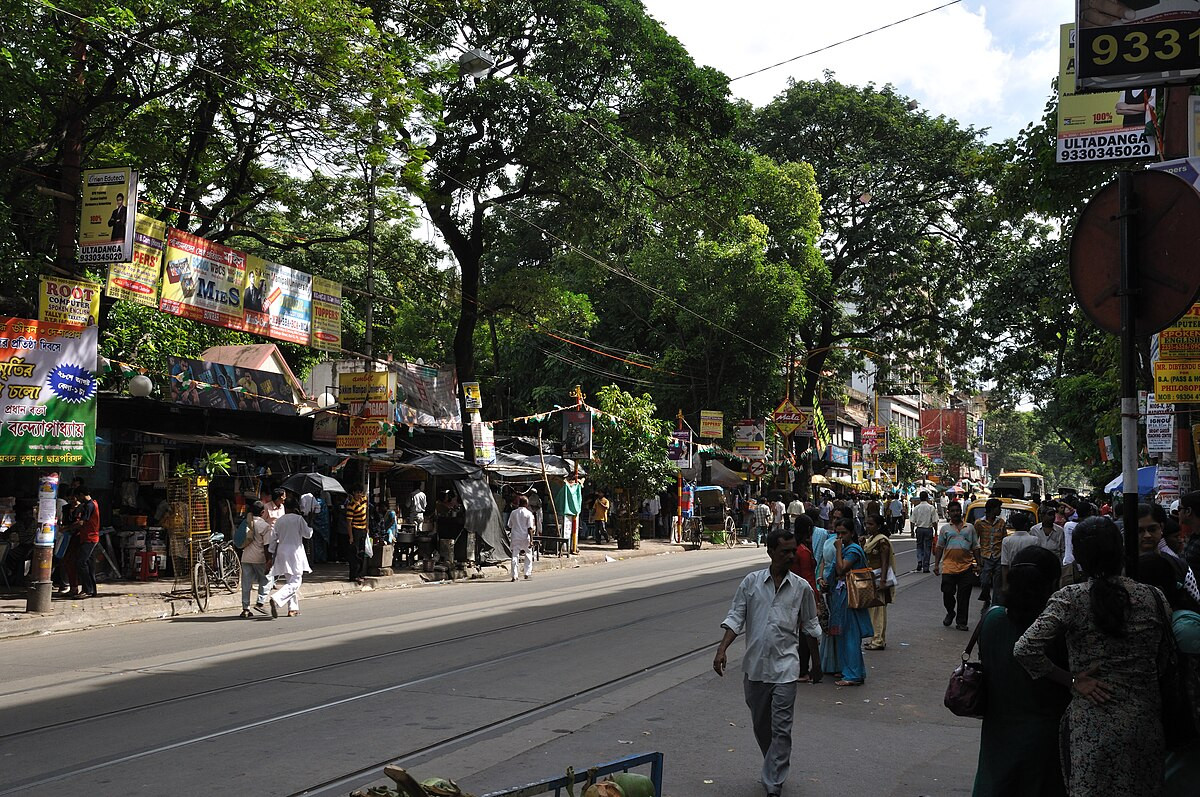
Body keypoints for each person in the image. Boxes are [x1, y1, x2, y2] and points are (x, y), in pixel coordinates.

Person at [1013, 517, 1172, 797]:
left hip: (1091, 727)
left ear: (1081, 558)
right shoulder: (1154, 598)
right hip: (1145, 723)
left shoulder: (1070, 598)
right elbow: (1164, 658)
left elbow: (1025, 649)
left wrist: (1072, 680)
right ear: (1121, 550)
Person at [714, 527, 822, 797]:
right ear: (770, 551)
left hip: (787, 668)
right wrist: (722, 650)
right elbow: (736, 617)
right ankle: (772, 764)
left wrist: (816, 664)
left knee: (782, 729)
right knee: (762, 725)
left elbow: (810, 626)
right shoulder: (751, 582)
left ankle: (773, 783)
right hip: (756, 668)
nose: (790, 556)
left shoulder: (802, 588)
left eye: (793, 551)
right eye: (784, 551)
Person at [972, 545, 1070, 797]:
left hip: (998, 734)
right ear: (1052, 584)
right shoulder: (1054, 630)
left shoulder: (991, 620)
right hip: (1044, 738)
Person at [830, 518, 874, 685]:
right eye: (838, 533)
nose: (840, 536)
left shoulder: (852, 550)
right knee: (845, 634)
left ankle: (853, 674)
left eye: (844, 533)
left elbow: (841, 568)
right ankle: (850, 670)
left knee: (850, 635)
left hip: (851, 595)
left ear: (852, 533)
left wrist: (838, 550)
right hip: (844, 595)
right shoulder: (849, 548)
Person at [934, 501, 980, 630]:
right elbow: (939, 547)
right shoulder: (945, 529)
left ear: (961, 511)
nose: (955, 513)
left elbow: (976, 547)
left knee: (964, 596)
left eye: (957, 510)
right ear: (949, 513)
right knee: (947, 593)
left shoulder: (970, 528)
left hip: (966, 566)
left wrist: (979, 564)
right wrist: (936, 565)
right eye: (953, 511)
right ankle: (950, 611)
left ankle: (961, 622)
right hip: (949, 566)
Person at [265, 499, 313, 618]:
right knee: (296, 581)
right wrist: (310, 525)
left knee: (290, 580)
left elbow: (273, 538)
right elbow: (307, 534)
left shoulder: (280, 520)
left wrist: (271, 553)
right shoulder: (299, 519)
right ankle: (276, 598)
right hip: (295, 551)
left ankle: (292, 608)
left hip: (282, 551)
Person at [862, 513, 894, 650]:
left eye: (871, 524)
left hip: (878, 579)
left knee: (878, 610)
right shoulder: (871, 539)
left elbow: (885, 562)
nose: (868, 526)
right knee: (872, 610)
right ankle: (875, 638)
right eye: (867, 524)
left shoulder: (882, 541)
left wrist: (883, 580)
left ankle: (878, 640)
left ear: (879, 526)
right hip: (871, 579)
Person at [238, 501, 272, 617]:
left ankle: (245, 609)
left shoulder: (246, 523)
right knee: (267, 579)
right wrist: (269, 560)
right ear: (263, 512)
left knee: (246, 583)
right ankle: (260, 602)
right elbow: (267, 545)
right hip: (259, 557)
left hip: (246, 557)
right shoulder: (265, 526)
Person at [975, 498, 1007, 607]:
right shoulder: (979, 523)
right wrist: (978, 559)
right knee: (984, 581)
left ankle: (994, 604)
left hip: (998, 556)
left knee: (997, 583)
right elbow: (975, 541)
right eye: (999, 508)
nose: (1000, 510)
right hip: (986, 556)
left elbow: (1004, 539)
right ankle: (986, 597)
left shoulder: (1001, 522)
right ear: (992, 509)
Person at [1000, 512, 1040, 596]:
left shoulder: (1007, 541)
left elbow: (1005, 564)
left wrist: (1004, 584)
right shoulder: (1035, 540)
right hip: (1031, 577)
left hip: (1013, 577)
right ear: (1026, 525)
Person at [73, 487, 101, 598]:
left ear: (81, 495)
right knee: (89, 565)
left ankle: (87, 589)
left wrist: (66, 528)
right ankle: (92, 590)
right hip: (89, 537)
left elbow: (81, 523)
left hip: (90, 538)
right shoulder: (93, 503)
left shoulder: (89, 506)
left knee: (81, 563)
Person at [507, 494, 536, 581]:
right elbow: (530, 528)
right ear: (526, 504)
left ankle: (514, 575)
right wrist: (531, 540)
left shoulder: (513, 513)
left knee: (515, 555)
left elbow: (509, 525)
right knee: (528, 554)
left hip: (515, 536)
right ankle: (527, 573)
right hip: (525, 537)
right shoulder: (529, 514)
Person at [910, 492, 938, 573]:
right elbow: (934, 521)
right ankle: (926, 566)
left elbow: (912, 521)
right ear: (926, 498)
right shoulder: (931, 508)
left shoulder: (916, 508)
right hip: (928, 529)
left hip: (919, 529)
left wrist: (912, 531)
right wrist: (935, 531)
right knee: (927, 548)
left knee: (919, 546)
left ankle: (919, 560)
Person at [346, 487, 368, 584]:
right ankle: (354, 575)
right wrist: (351, 536)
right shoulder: (351, 505)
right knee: (355, 554)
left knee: (362, 553)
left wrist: (367, 528)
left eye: (360, 492)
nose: (359, 495)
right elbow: (349, 523)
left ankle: (360, 574)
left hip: (363, 530)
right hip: (355, 530)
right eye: (357, 493)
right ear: (354, 493)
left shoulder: (363, 501)